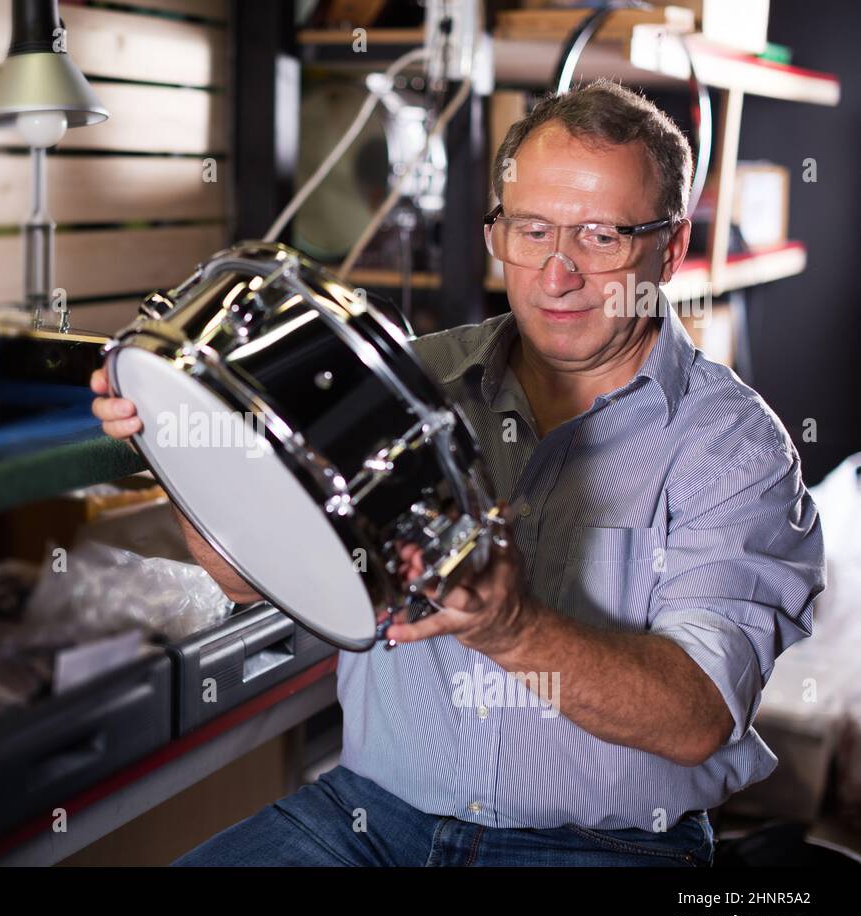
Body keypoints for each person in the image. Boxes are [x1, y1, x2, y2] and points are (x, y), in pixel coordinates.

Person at [90, 79, 825, 866]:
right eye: (532, 230)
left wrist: (512, 628)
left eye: (601, 237)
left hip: (599, 847)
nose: (557, 271)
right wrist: (181, 441)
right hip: (369, 821)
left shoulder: (732, 448)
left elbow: (698, 716)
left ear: (671, 249)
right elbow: (244, 577)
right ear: (495, 233)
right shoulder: (408, 382)